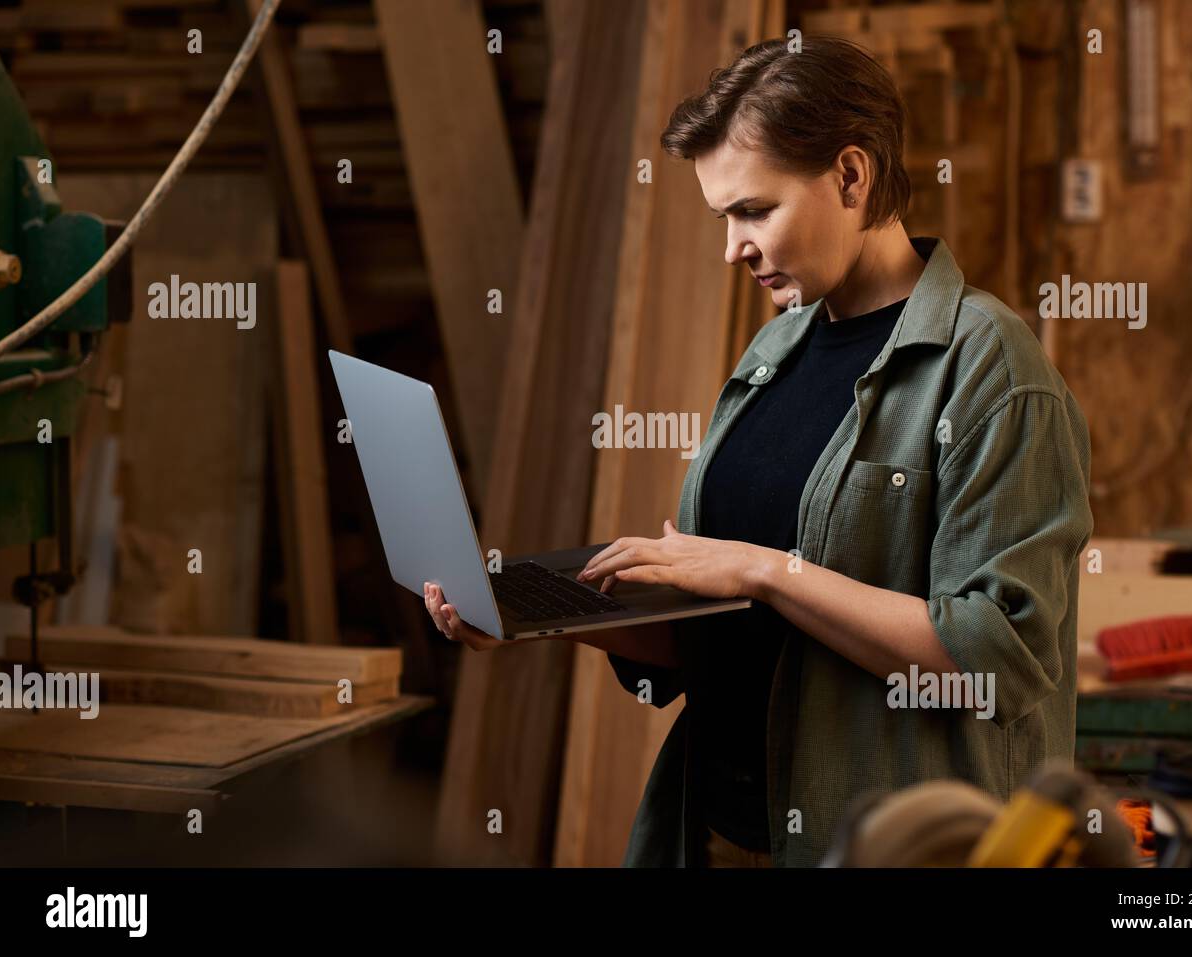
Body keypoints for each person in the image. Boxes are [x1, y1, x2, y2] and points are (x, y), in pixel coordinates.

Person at [424, 35, 1093, 868]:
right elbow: (719, 631)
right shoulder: (770, 355)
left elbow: (999, 659)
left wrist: (766, 570)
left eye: (754, 210)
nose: (731, 247)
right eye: (722, 218)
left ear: (852, 176)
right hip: (716, 834)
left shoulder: (991, 372)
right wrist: (549, 613)